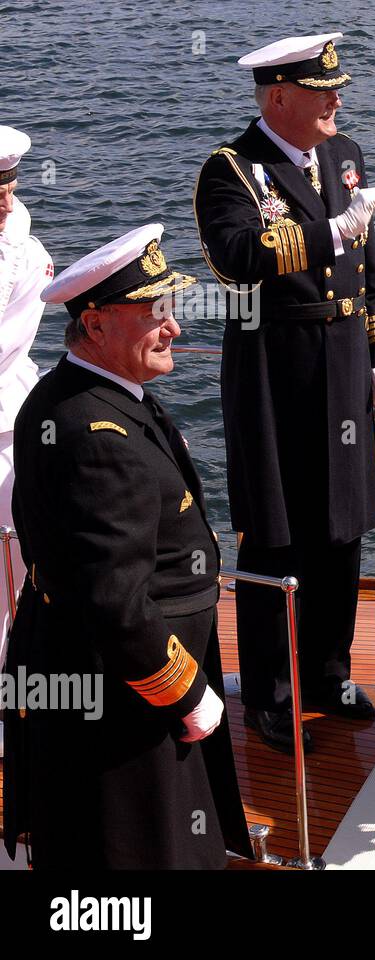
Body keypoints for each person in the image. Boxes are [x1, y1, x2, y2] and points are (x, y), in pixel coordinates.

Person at [1, 224, 251, 868]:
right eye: (154, 314)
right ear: (95, 324)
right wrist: (185, 693)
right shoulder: (94, 434)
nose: (172, 328)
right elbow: (112, 599)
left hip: (125, 687)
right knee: (132, 854)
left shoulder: (94, 398)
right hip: (126, 702)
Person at [192, 32, 375, 752]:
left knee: (342, 528)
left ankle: (327, 673)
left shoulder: (345, 155)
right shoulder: (231, 170)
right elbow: (237, 259)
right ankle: (271, 698)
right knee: (276, 536)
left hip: (344, 364)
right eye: (324, 92)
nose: (338, 100)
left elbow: (372, 272)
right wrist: (333, 229)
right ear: (280, 96)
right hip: (273, 372)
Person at [0, 127, 52, 760]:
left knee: (16, 569)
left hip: (10, 423)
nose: (6, 198)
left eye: (9, 184)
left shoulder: (21, 249)